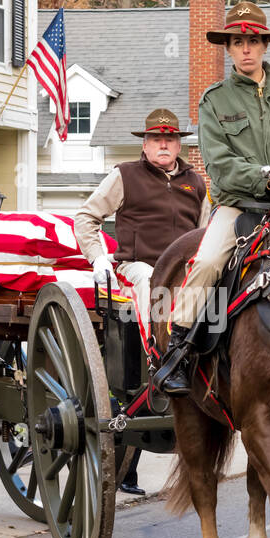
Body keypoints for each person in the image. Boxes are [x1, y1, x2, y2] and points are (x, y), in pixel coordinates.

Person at [154, 1, 270, 395]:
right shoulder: (215, 100)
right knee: (209, 261)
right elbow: (219, 163)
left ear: (264, 45)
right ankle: (178, 351)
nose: (245, 48)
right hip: (239, 206)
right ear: (228, 49)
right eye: (237, 42)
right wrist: (266, 178)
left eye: (252, 41)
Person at [75, 107, 208, 492]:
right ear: (145, 144)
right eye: (155, 139)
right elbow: (86, 218)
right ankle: (165, 361)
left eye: (170, 138)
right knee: (156, 283)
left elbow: (205, 232)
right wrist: (98, 256)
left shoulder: (195, 183)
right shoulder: (124, 176)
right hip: (138, 268)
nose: (163, 144)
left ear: (179, 143)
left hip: (185, 270)